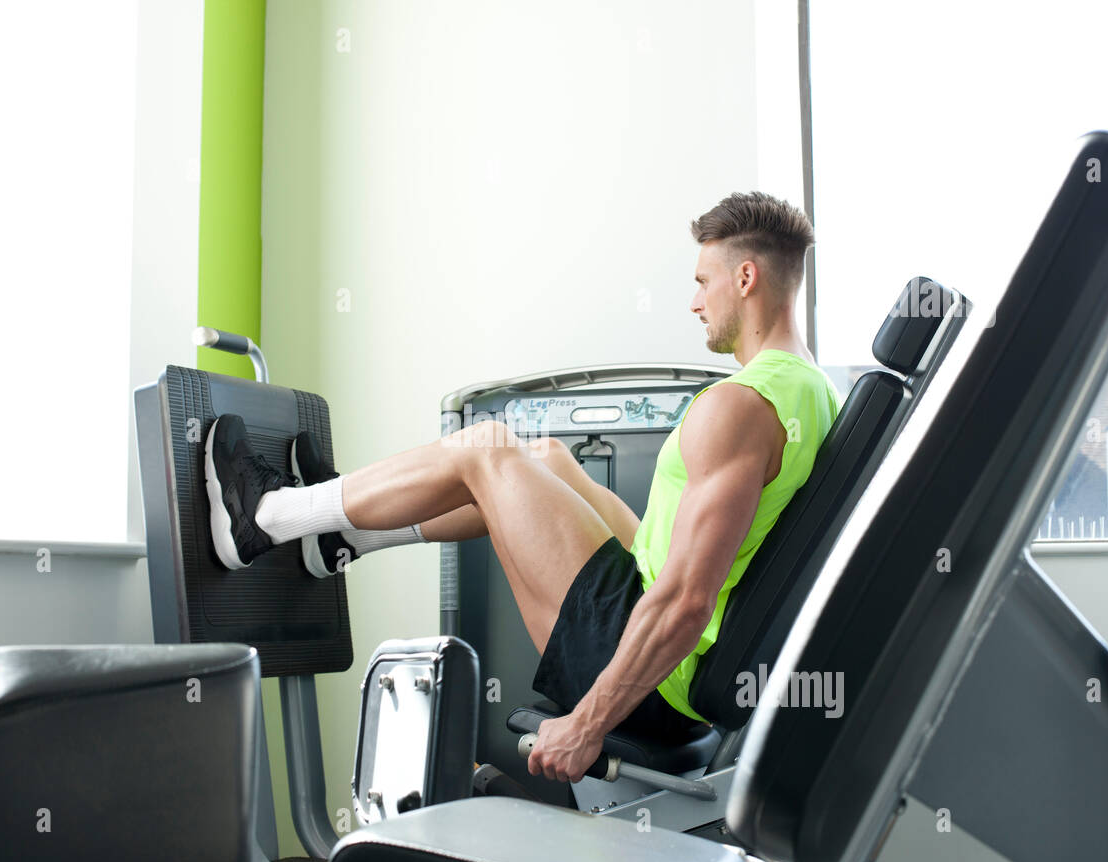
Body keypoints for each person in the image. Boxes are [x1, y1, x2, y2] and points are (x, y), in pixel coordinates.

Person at [204, 191, 840, 785]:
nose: (695, 302)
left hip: (651, 675)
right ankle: (343, 537)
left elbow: (685, 602)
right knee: (546, 458)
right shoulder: (815, 394)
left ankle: (265, 518)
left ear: (746, 279)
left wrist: (586, 724)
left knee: (487, 451)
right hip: (673, 645)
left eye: (703, 283)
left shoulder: (739, 406)